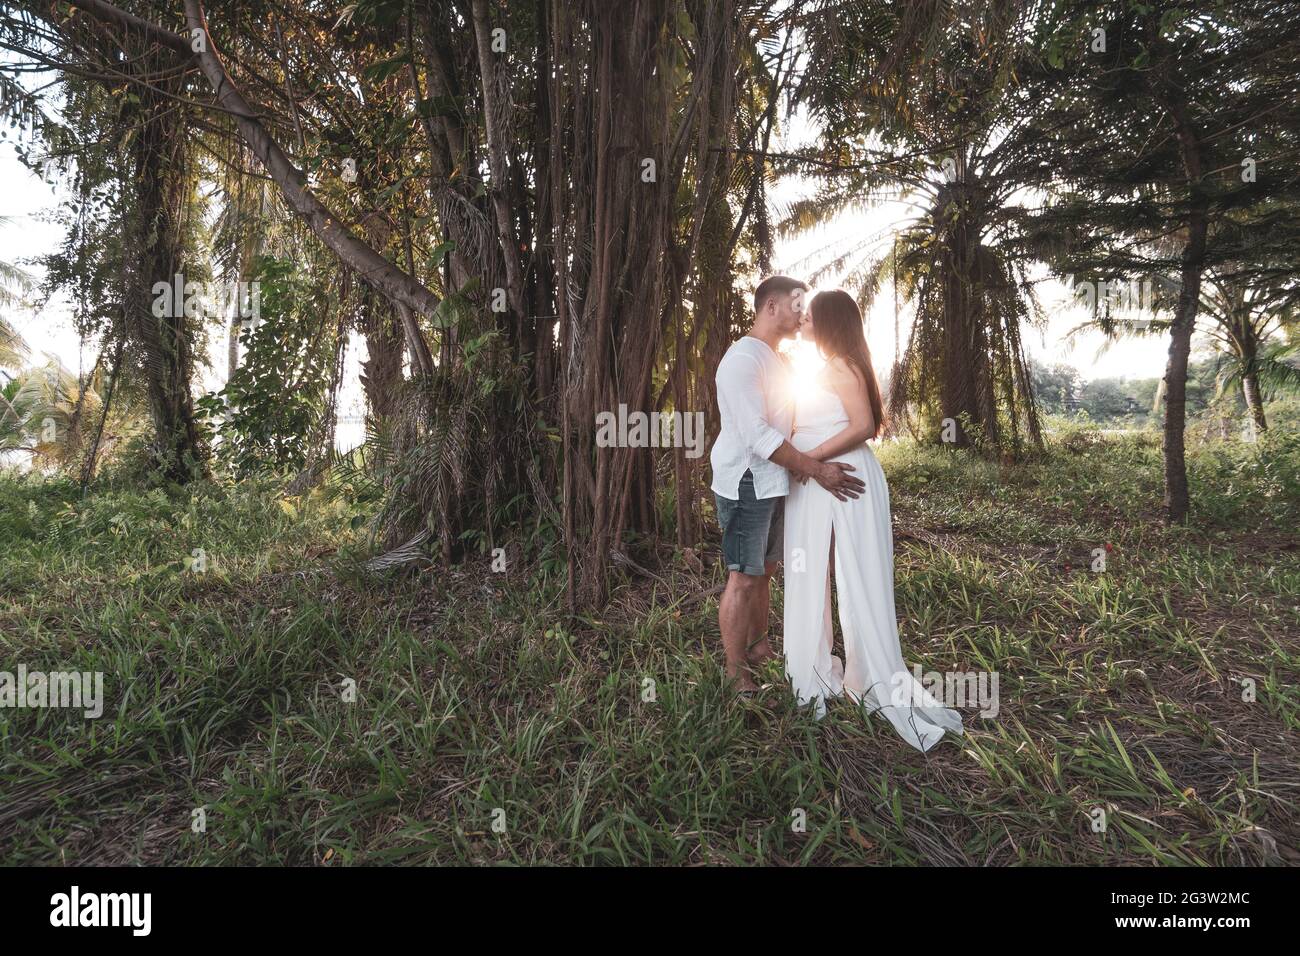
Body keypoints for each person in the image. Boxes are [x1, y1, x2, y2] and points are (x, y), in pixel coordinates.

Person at [782, 289, 963, 751]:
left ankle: (870, 675)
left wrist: (809, 460)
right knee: (808, 571)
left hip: (843, 475)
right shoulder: (823, 366)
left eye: (808, 316)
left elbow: (864, 425)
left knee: (860, 574)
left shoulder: (843, 364)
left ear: (828, 322)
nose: (802, 321)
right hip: (819, 478)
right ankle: (814, 669)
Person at [710, 277, 865, 693]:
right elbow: (757, 436)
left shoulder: (776, 360)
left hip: (775, 481)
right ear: (771, 306)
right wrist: (817, 469)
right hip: (746, 481)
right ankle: (734, 671)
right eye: (796, 306)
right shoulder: (743, 359)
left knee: (766, 571)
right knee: (742, 576)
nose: (802, 315)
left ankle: (759, 648)